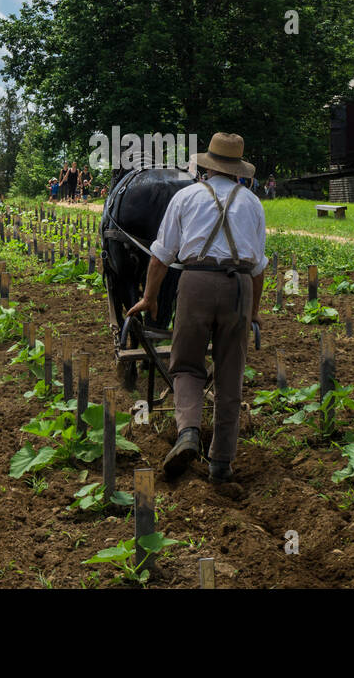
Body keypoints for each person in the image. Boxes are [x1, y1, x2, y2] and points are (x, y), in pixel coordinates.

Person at [125, 132, 267, 485]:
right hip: (240, 288)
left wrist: (149, 298)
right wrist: (253, 312)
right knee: (230, 374)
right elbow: (259, 267)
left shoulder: (186, 196)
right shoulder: (252, 203)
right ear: (238, 171)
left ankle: (188, 431)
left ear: (206, 166)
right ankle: (221, 462)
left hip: (197, 284)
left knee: (187, 364)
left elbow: (160, 256)